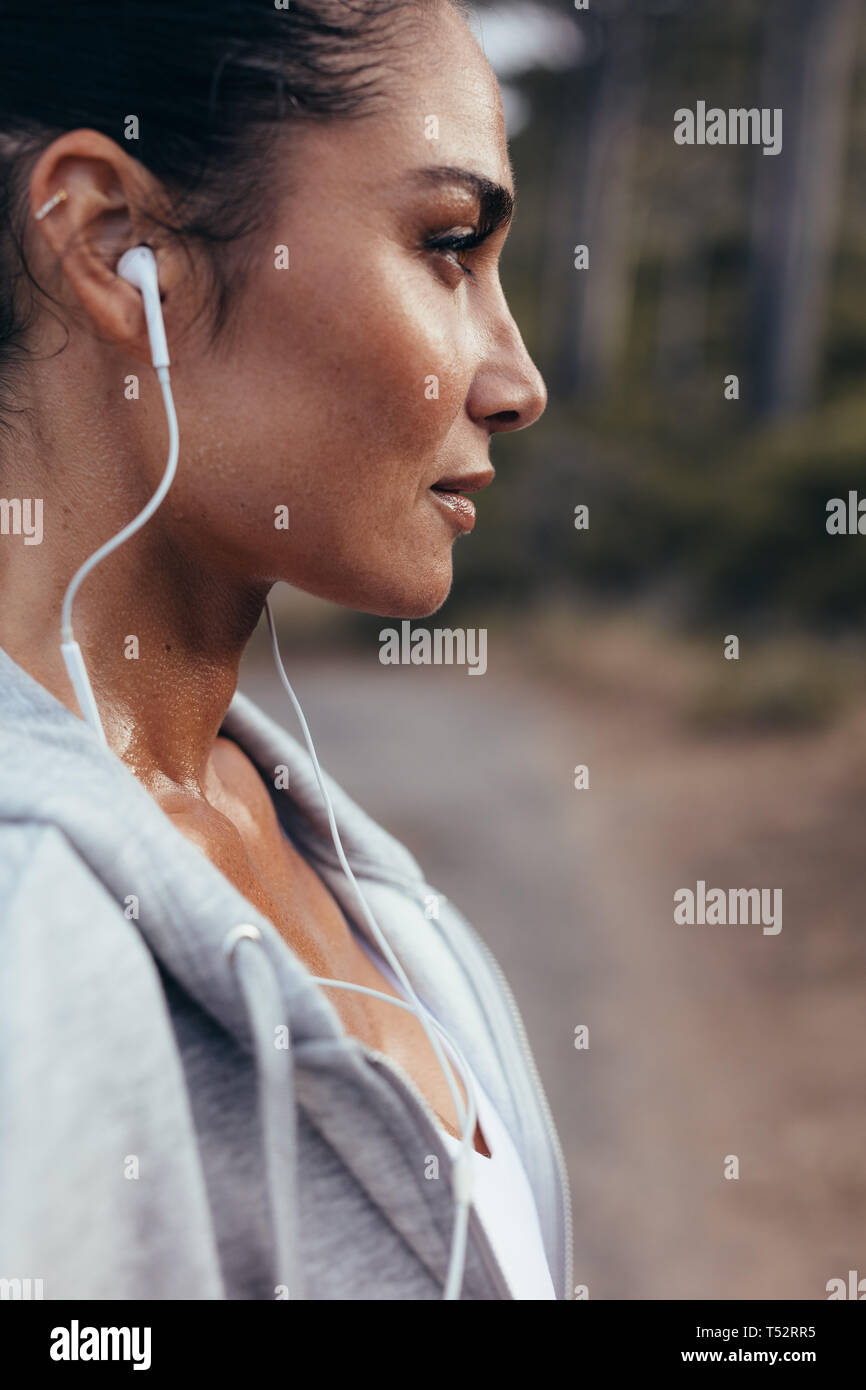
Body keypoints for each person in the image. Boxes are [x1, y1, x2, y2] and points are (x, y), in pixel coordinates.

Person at [0, 0, 572, 1299]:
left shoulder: (295, 825)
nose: (515, 377)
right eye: (445, 244)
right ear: (113, 239)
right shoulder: (27, 920)